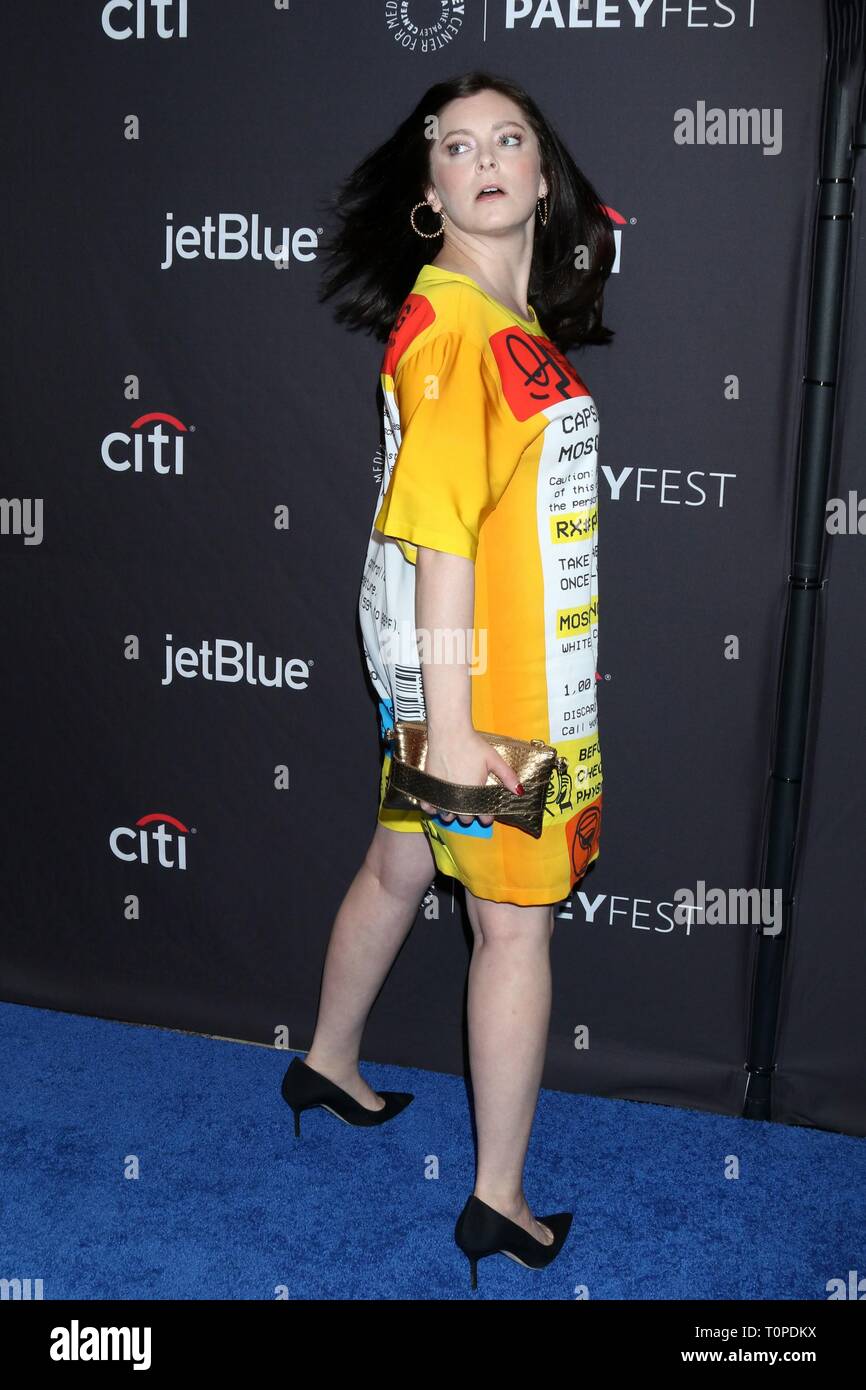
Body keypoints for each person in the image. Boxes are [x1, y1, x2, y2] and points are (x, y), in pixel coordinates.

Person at [281, 71, 614, 1289]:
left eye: (507, 139)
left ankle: (325, 1057)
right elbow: (441, 541)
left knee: (397, 861)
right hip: (491, 700)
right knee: (510, 928)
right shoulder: (459, 331)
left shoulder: (497, 324)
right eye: (455, 147)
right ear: (430, 194)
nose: (482, 158)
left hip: (461, 686)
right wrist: (461, 726)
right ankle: (498, 1200)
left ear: (540, 176)